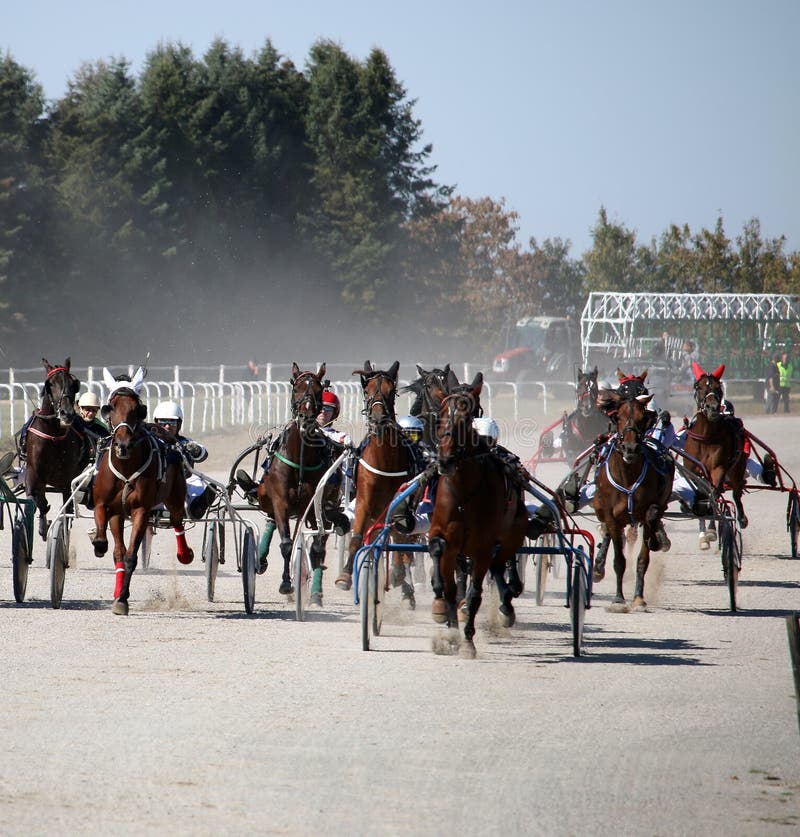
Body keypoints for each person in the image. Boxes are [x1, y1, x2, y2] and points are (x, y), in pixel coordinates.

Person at [151, 400, 214, 520]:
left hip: (182, 484)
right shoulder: (150, 442)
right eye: (163, 422)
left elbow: (203, 454)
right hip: (155, 486)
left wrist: (196, 450)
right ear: (156, 423)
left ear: (179, 424)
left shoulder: (184, 442)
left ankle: (197, 507)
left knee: (196, 479)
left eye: (172, 422)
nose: (167, 426)